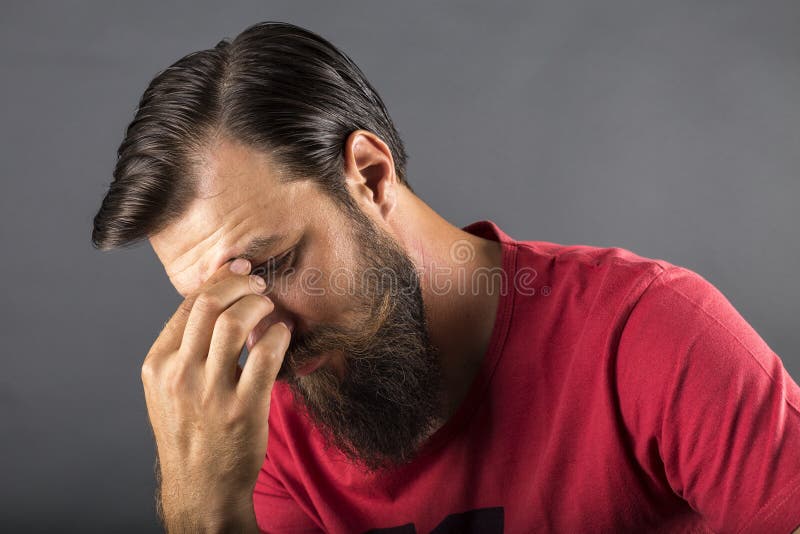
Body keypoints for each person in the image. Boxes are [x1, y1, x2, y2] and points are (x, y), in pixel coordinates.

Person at [91, 21, 800, 534]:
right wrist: (203, 510)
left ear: (369, 176)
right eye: (217, 303)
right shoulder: (267, 428)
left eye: (274, 265)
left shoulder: (647, 331)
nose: (264, 339)